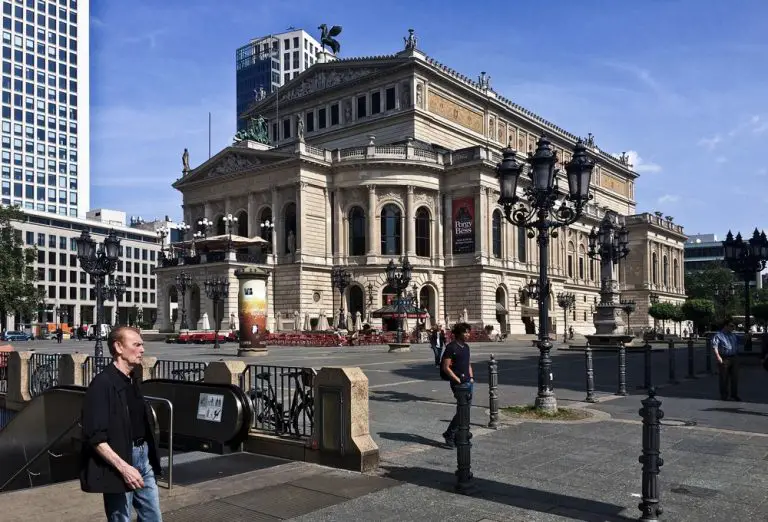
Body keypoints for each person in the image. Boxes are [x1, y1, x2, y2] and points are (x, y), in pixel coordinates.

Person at [79, 326, 163, 521]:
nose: (142, 350)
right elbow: (95, 436)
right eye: (137, 345)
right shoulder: (102, 384)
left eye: (142, 345)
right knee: (120, 518)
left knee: (153, 517)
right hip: (119, 460)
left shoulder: (133, 379)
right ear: (118, 347)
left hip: (143, 457)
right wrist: (124, 467)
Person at [440, 322, 473, 448]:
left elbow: (468, 363)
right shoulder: (451, 347)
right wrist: (457, 380)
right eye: (465, 332)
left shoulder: (466, 347)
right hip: (458, 384)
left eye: (468, 332)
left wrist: (471, 377)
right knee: (463, 410)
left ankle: (458, 435)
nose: (468, 334)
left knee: (465, 410)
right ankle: (451, 434)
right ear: (458, 334)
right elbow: (446, 367)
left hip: (468, 382)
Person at [712, 317, 741, 402]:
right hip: (724, 357)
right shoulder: (719, 335)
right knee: (724, 378)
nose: (733, 328)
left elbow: (742, 340)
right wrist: (718, 357)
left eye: (733, 326)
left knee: (735, 377)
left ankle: (734, 395)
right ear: (725, 326)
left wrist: (748, 336)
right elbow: (715, 346)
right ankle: (724, 395)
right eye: (731, 326)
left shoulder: (733, 335)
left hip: (734, 357)